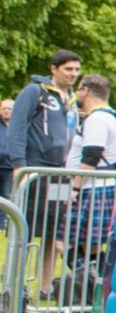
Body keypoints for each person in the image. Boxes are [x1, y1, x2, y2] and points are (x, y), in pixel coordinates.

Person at [9, 49, 81, 296]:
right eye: (68, 69)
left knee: (53, 229)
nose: (73, 74)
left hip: (60, 173)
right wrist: (19, 164)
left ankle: (45, 286)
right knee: (26, 227)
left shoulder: (70, 98)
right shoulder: (35, 92)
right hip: (35, 169)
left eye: (76, 70)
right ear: (53, 69)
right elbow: (16, 127)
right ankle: (16, 283)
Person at [61, 74, 116, 296]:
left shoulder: (98, 119)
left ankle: (93, 291)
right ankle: (93, 291)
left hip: (93, 189)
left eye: (79, 89)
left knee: (69, 244)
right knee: (91, 247)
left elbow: (91, 157)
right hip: (100, 188)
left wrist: (75, 189)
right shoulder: (111, 116)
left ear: (86, 91)